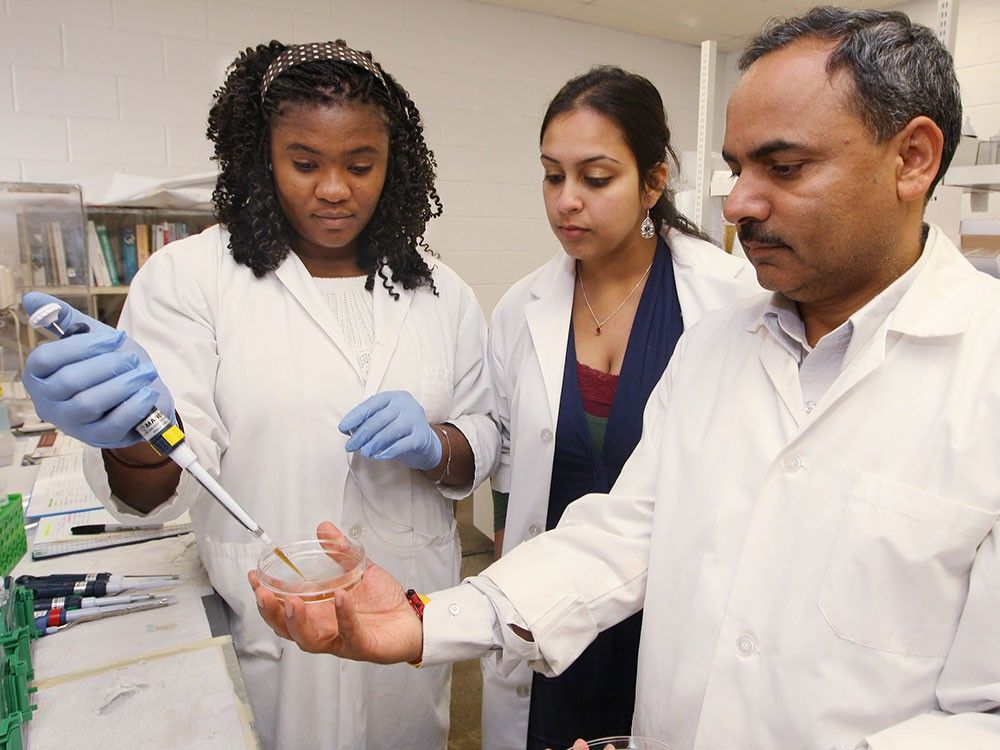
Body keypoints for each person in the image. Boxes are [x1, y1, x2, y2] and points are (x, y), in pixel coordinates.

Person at [252, 7, 1000, 748]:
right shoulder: (719, 344)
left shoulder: (981, 369)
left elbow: (984, 715)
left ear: (912, 159)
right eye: (737, 169)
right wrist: (428, 620)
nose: (737, 203)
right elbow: (622, 534)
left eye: (785, 166)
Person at [21, 39, 499, 750]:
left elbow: (483, 435)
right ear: (261, 158)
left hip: (399, 607)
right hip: (269, 626)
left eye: (360, 165)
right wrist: (125, 432)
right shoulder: (192, 278)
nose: (334, 188)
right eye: (305, 163)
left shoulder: (441, 289)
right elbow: (168, 476)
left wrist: (441, 444)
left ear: (392, 165)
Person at [484, 66, 759, 750]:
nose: (566, 201)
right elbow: (513, 464)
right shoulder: (522, 308)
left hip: (672, 609)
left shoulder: (730, 299)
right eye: (553, 176)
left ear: (654, 182)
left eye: (596, 178)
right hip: (553, 602)